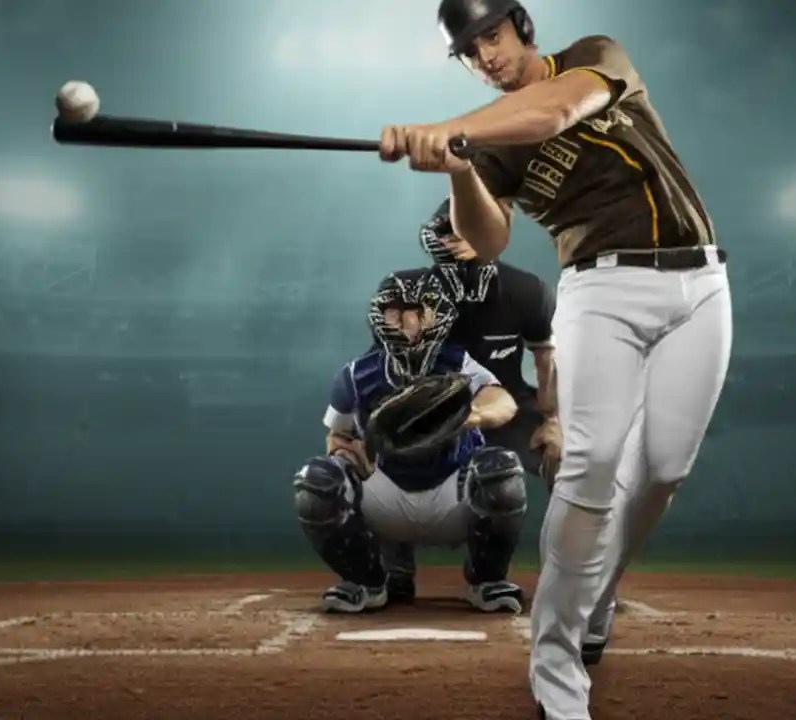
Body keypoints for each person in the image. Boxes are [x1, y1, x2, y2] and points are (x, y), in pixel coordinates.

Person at [377, 2, 734, 717]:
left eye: (492, 37)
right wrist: (456, 168)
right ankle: (557, 667)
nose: (486, 57)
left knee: (665, 467)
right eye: (471, 52)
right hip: (601, 290)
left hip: (702, 285)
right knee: (594, 462)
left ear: (521, 27)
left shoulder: (594, 57)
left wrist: (453, 128)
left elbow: (556, 110)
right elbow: (490, 238)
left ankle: (597, 601)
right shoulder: (491, 140)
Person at [293, 268, 529, 614]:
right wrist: (347, 453)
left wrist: (463, 416)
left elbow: (503, 402)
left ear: (437, 316)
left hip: (453, 491)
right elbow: (337, 433)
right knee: (316, 482)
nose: (405, 320)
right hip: (387, 492)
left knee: (502, 472)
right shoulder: (357, 375)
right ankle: (369, 581)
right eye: (394, 311)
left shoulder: (457, 363)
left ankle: (486, 579)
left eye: (417, 310)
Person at [381, 199, 562, 604]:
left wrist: (554, 420)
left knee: (569, 458)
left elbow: (547, 361)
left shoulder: (527, 290)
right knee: (379, 436)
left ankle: (569, 575)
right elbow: (385, 365)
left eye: (468, 230)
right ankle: (393, 571)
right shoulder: (405, 289)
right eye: (449, 231)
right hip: (428, 408)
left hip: (509, 406)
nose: (458, 242)